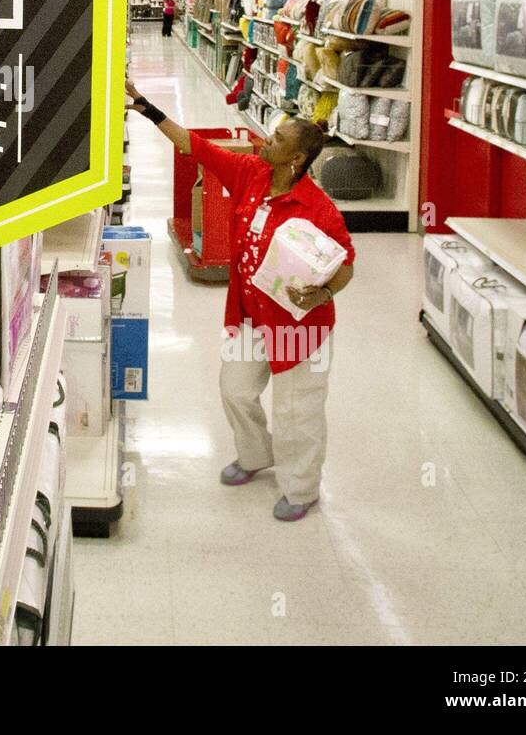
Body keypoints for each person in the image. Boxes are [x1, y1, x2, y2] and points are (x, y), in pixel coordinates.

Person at [126, 79, 355, 520]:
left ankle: (302, 488)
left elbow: (346, 265)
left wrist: (322, 293)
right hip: (250, 314)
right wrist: (147, 108)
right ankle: (255, 455)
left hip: (298, 328)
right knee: (235, 390)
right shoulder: (252, 173)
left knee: (296, 410)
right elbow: (195, 147)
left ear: (299, 158)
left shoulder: (317, 209)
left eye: (279, 139)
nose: (268, 139)